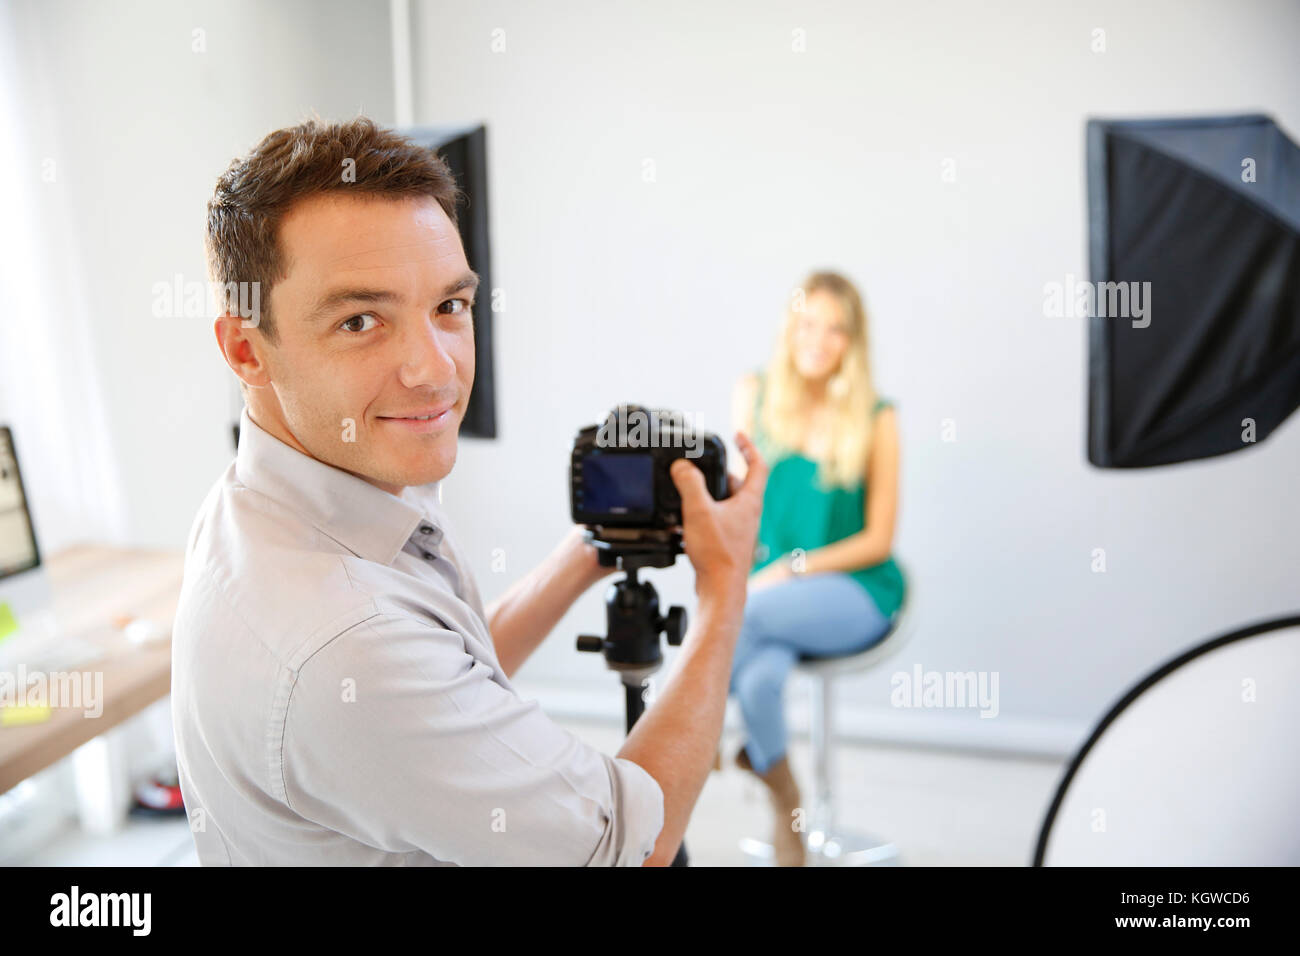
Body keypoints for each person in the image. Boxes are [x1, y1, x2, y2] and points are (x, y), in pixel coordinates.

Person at [171, 116, 768, 866]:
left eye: (450, 306)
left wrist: (591, 551)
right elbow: (630, 847)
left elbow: (447, 667)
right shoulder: (342, 647)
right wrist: (724, 591)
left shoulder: (276, 499)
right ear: (245, 350)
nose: (436, 369)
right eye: (361, 320)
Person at [727, 271, 906, 866]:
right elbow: (739, 511)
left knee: (738, 615)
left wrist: (793, 569)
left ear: (852, 340)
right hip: (770, 599)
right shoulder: (753, 394)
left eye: (836, 329)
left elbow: (878, 540)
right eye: (809, 324)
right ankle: (788, 805)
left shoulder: (876, 417)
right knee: (757, 682)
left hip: (853, 591)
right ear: (790, 327)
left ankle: (686, 746)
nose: (819, 340)